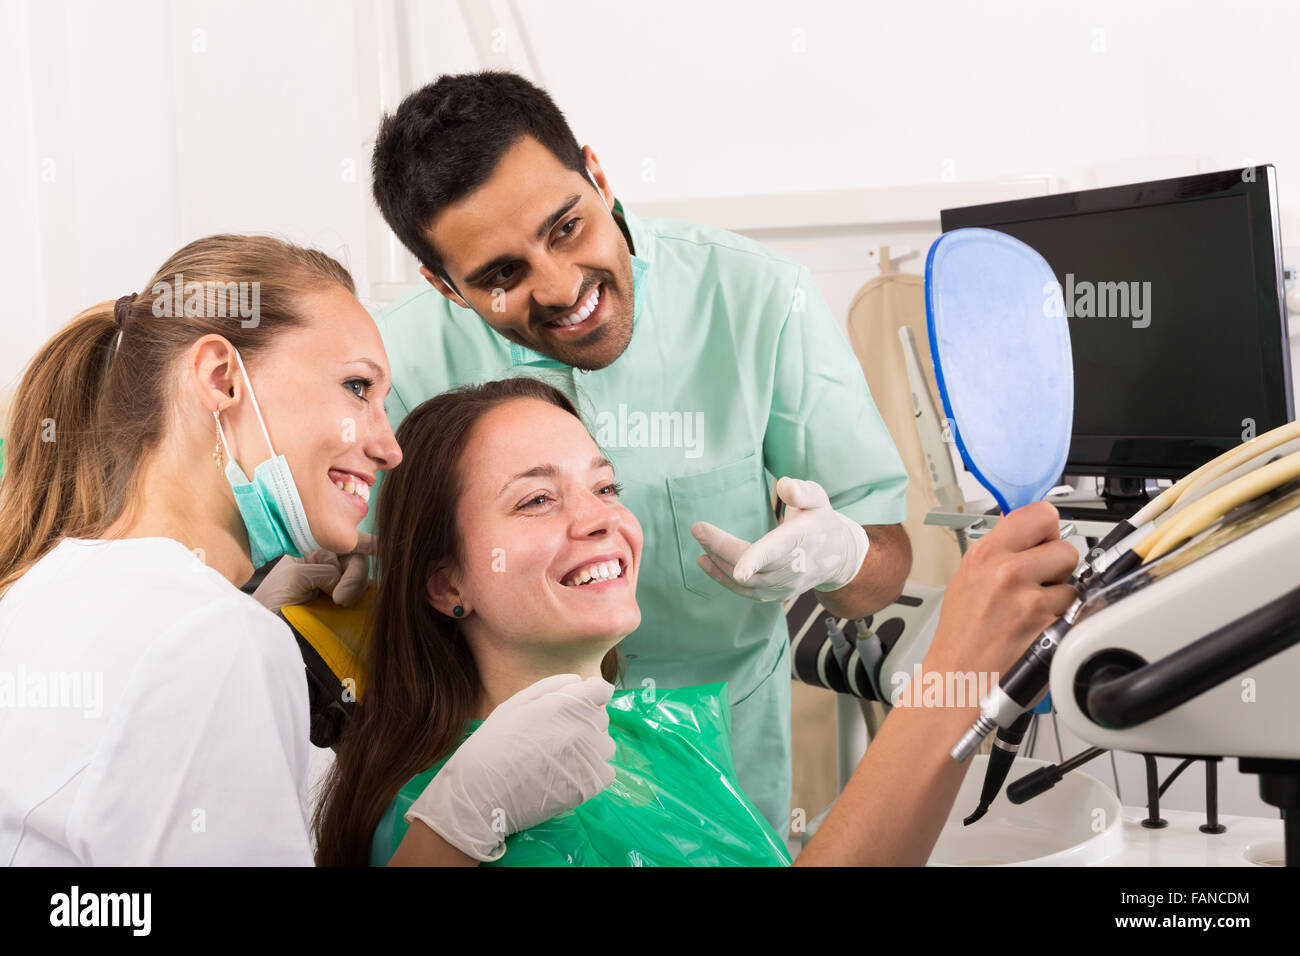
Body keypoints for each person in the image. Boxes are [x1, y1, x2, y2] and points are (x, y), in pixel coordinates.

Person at [353, 70, 914, 834]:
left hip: (726, 790)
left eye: (566, 227)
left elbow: (883, 576)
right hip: (505, 808)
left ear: (598, 176)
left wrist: (844, 556)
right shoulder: (392, 363)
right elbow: (379, 596)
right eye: (500, 276)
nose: (560, 287)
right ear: (444, 285)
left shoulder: (756, 298)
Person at [0, 235, 615, 865]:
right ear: (220, 378)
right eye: (356, 388)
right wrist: (456, 820)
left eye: (606, 485)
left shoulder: (43, 588)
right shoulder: (212, 638)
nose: (387, 445)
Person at [314, 378, 1078, 866]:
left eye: (606, 486)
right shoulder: (456, 821)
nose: (599, 520)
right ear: (447, 583)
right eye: (537, 500)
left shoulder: (659, 731)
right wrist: (953, 674)